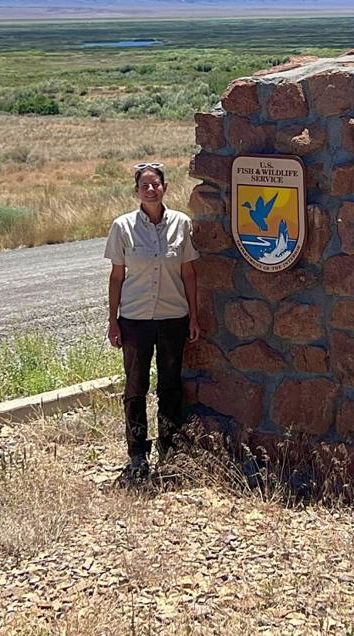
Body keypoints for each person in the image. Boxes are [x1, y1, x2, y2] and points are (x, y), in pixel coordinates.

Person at [104, 162, 201, 482]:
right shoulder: (122, 227)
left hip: (173, 317)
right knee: (136, 386)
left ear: (165, 188)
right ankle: (137, 452)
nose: (150, 189)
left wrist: (194, 316)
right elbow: (116, 277)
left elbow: (188, 273)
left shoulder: (181, 224)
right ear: (136, 191)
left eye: (155, 184)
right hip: (135, 320)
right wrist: (113, 321)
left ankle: (169, 449)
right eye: (144, 185)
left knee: (170, 386)